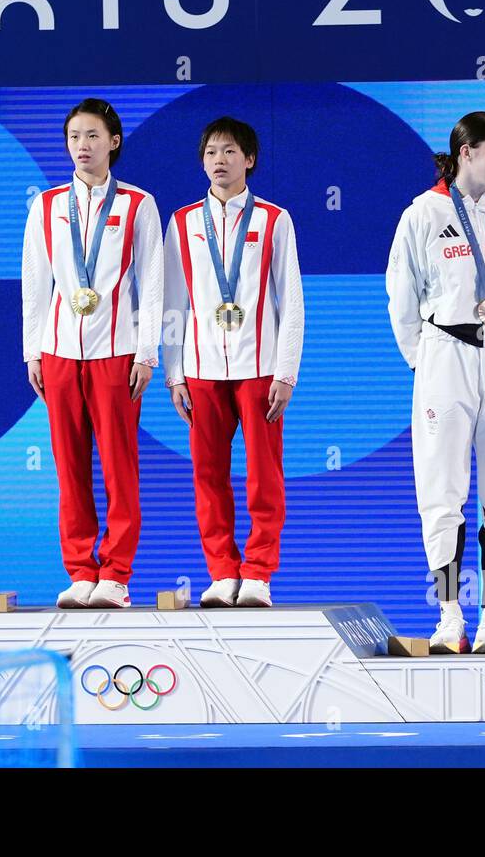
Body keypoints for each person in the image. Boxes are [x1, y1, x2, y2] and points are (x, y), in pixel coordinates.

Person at [386, 113, 485, 654]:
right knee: (442, 495)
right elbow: (400, 298)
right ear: (467, 151)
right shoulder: (422, 213)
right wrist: (423, 363)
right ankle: (450, 616)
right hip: (444, 357)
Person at [21, 99, 164, 608]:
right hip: (59, 351)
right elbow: (35, 283)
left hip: (116, 351)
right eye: (75, 137)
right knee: (70, 468)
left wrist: (147, 352)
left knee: (120, 469)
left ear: (114, 142)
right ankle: (81, 570)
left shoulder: (138, 205)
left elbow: (152, 283)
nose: (82, 146)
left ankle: (116, 575)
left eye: (92, 136)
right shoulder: (47, 205)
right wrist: (32, 352)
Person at [162, 117, 304, 608]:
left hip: (260, 368)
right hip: (200, 370)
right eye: (210, 153)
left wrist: (286, 373)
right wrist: (173, 373)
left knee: (265, 475)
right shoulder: (181, 223)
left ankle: (259, 572)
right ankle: (222, 572)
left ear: (250, 159)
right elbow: (172, 303)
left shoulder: (272, 219)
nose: (219, 161)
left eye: (229, 151)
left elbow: (292, 301)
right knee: (208, 474)